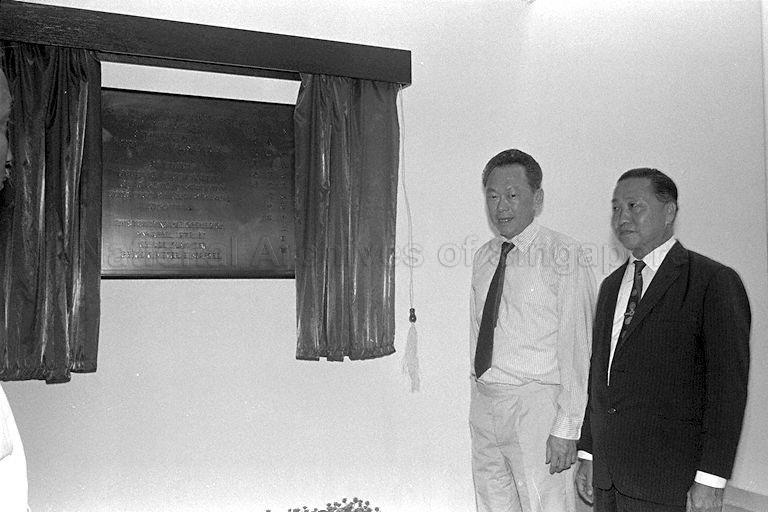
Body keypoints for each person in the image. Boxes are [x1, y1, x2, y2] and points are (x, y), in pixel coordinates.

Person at [576, 168, 750, 512]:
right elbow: (601, 377)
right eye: (615, 208)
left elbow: (727, 390)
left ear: (669, 212)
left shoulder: (712, 281)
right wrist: (589, 451)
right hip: (609, 477)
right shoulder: (611, 287)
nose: (622, 217)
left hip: (671, 480)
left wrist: (711, 479)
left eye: (633, 205)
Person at [469, 149, 596, 512]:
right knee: (492, 504)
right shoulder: (484, 256)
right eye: (493, 196)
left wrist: (567, 427)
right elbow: (481, 334)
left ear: (536, 199)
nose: (501, 206)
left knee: (547, 506)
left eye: (512, 195)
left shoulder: (564, 254)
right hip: (485, 400)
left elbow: (578, 345)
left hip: (536, 405)